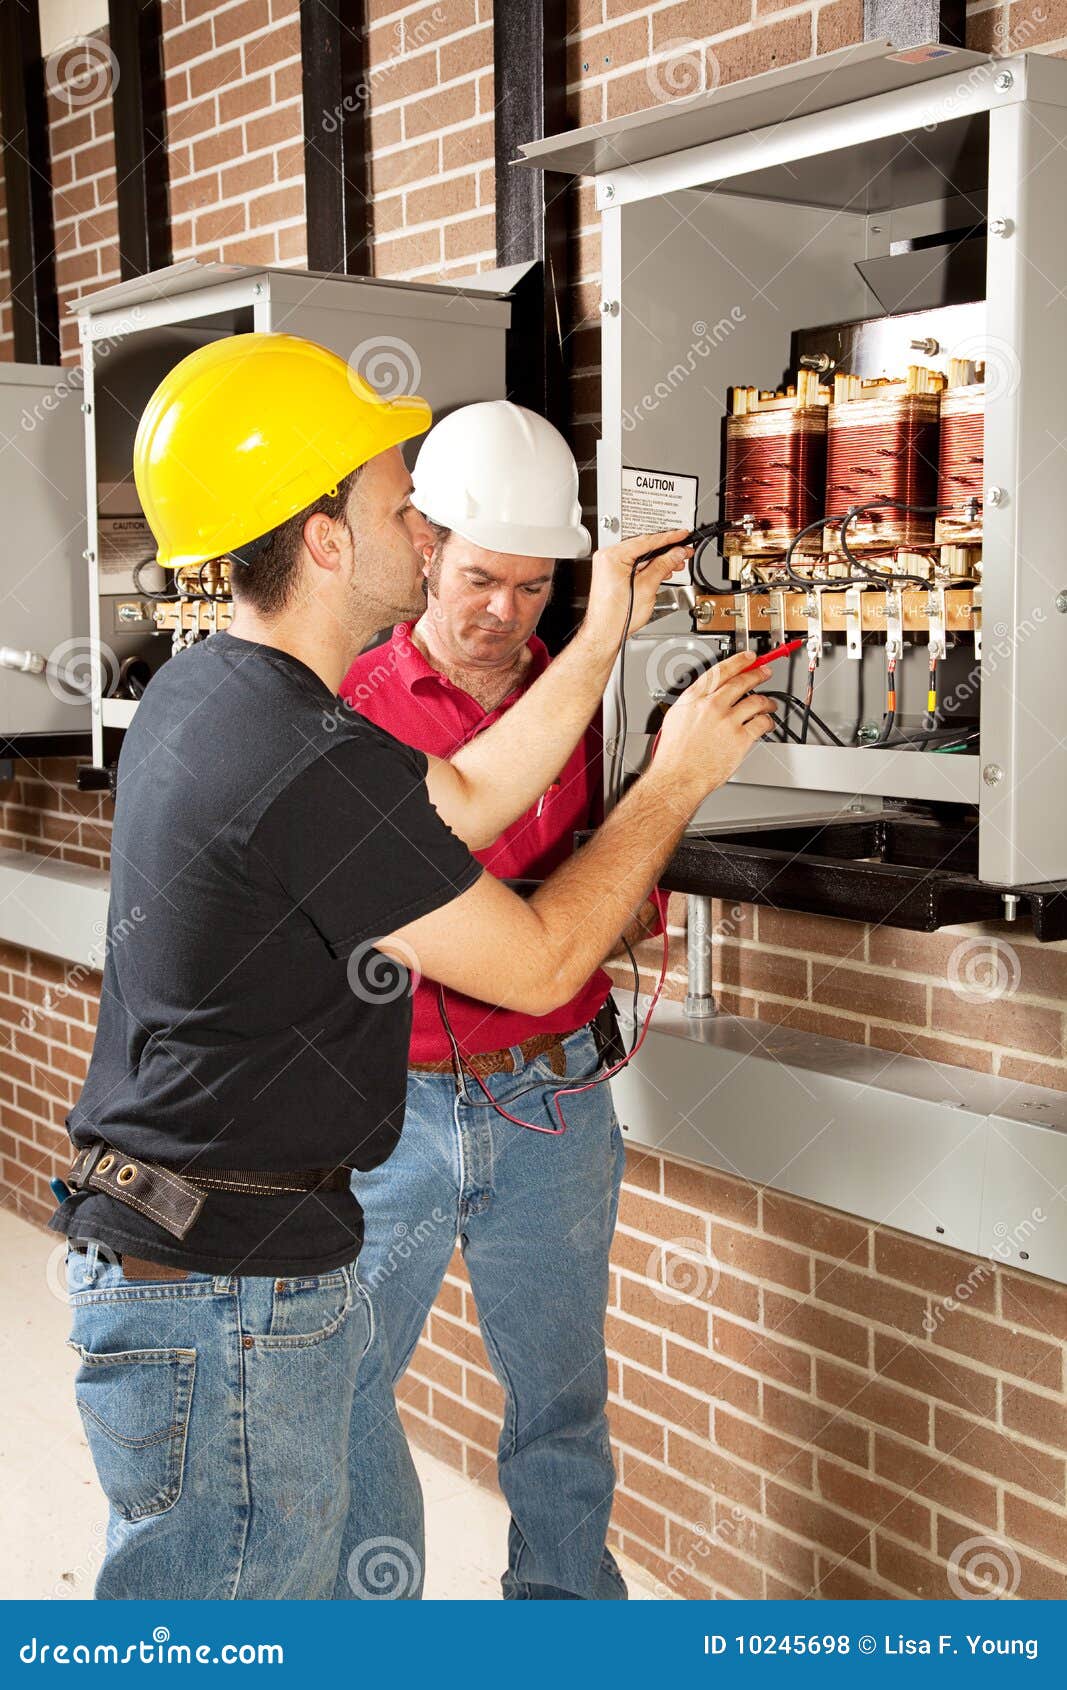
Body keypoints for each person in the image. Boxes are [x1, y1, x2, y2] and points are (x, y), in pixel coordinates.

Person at [49, 334, 776, 1601]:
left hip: (226, 1259)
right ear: (326, 538)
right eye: (400, 503)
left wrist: (601, 635)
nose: (424, 532)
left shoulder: (209, 696)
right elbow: (542, 955)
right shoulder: (308, 758)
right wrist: (673, 781)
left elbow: (463, 795)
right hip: (224, 1293)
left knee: (323, 1610)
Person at [341, 400, 658, 1600]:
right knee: (352, 1387)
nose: (503, 611)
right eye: (481, 578)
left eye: (534, 589)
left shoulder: (592, 706)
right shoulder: (356, 711)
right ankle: (374, 1635)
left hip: (555, 1099)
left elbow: (618, 894)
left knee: (560, 1400)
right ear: (423, 544)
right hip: (391, 1108)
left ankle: (565, 1632)